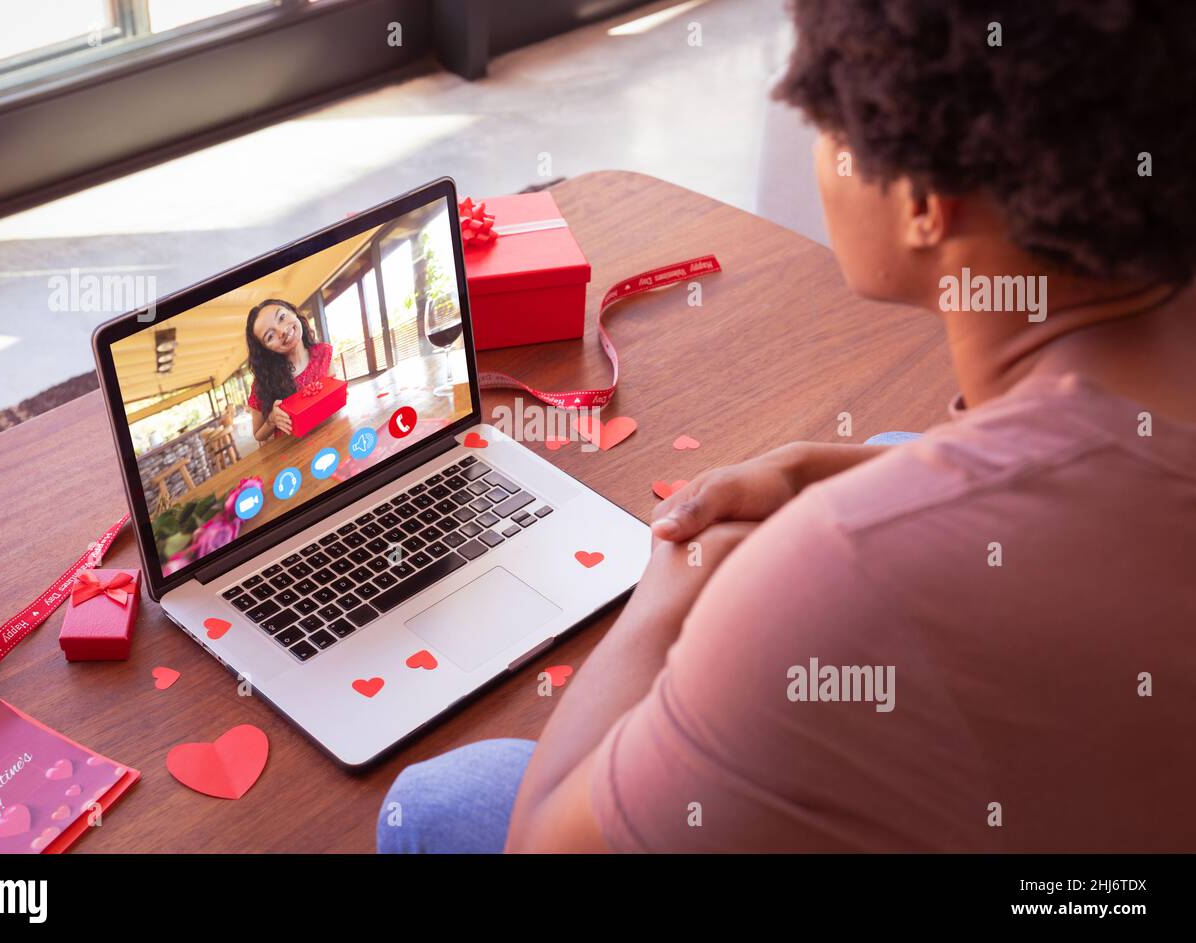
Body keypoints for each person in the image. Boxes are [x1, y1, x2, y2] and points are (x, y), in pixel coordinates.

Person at [378, 0, 1196, 853]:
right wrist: (818, 472)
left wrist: (668, 596)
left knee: (442, 802)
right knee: (886, 452)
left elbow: (541, 846)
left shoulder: (837, 570)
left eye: (825, 132)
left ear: (923, 200)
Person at [245, 299, 334, 444]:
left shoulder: (324, 353)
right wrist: (271, 420)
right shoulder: (262, 383)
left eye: (281, 317)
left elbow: (333, 397)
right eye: (270, 336)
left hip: (328, 435)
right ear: (266, 349)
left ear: (293, 312)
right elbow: (258, 435)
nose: (282, 331)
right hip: (294, 452)